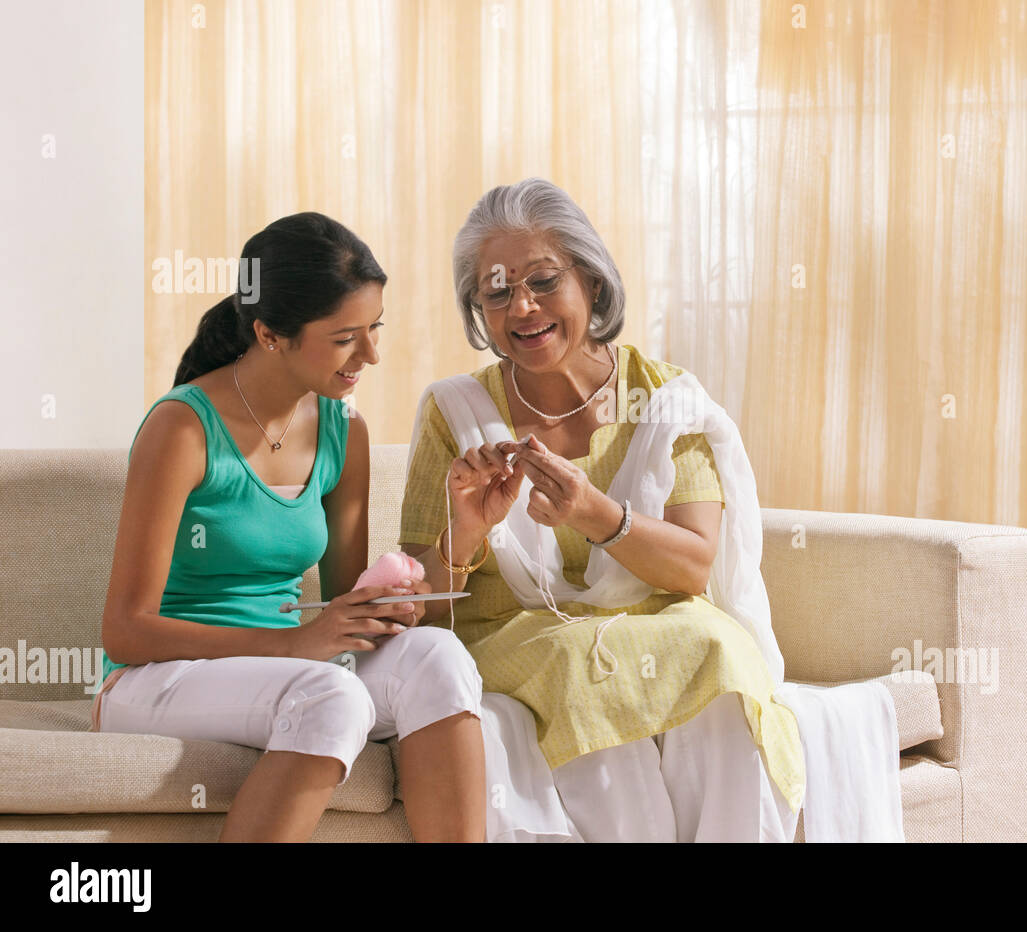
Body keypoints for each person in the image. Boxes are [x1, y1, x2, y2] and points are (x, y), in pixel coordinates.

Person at [399, 179, 806, 842]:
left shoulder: (665, 399)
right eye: (497, 291)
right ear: (479, 308)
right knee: (584, 660)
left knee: (720, 652)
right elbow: (417, 603)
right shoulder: (454, 412)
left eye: (542, 280)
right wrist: (466, 531)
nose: (522, 307)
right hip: (519, 640)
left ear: (589, 281)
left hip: (656, 623)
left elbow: (692, 568)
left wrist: (594, 512)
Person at [95, 212, 486, 842]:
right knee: (332, 696)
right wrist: (297, 644)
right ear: (271, 335)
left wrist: (414, 579)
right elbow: (126, 630)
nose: (372, 354)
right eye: (345, 337)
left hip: (284, 669)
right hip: (157, 678)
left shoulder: (342, 430)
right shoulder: (184, 428)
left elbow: (344, 604)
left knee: (438, 658)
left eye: (375, 328)